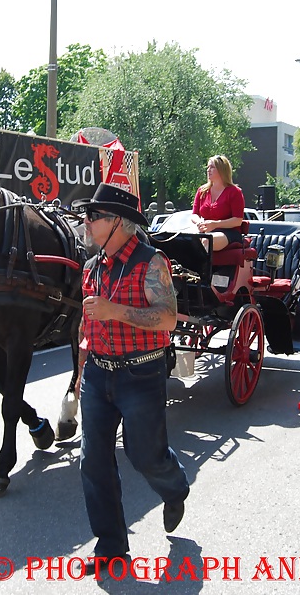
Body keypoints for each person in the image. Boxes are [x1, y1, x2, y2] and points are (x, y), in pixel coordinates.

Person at [72, 184, 190, 576]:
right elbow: (86, 323)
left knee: (145, 456)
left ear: (118, 222)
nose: (87, 224)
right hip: (97, 374)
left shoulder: (151, 262)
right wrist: (79, 371)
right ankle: (111, 548)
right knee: (93, 460)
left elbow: (169, 319)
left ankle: (175, 489)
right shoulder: (91, 268)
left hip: (141, 373)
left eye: (94, 217)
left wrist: (115, 311)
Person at [190, 155, 245, 251]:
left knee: (208, 240)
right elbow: (194, 214)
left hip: (229, 232)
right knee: (186, 240)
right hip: (207, 231)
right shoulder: (202, 191)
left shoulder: (234, 192)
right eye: (208, 167)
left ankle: (203, 266)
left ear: (222, 170)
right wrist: (199, 223)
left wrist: (215, 224)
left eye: (212, 167)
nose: (208, 170)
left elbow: (238, 220)